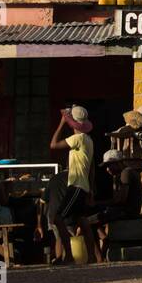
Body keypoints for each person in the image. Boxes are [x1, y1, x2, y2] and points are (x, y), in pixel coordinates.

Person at [49, 106, 95, 262]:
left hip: (76, 185)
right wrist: (90, 190)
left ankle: (68, 255)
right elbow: (92, 167)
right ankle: (92, 256)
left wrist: (61, 123)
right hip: (83, 186)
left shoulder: (78, 139)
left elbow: (53, 145)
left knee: (57, 218)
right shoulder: (88, 140)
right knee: (81, 220)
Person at [85, 150, 142, 262]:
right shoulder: (120, 175)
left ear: (118, 162)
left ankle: (98, 257)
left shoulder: (126, 173)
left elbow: (121, 200)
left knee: (87, 223)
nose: (107, 169)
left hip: (127, 211)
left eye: (109, 166)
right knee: (94, 215)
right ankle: (103, 240)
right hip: (123, 209)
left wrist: (98, 203)